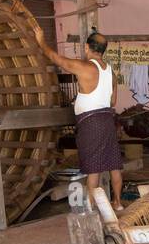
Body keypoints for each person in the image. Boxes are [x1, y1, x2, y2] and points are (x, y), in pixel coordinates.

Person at [34, 25, 124, 210]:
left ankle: (91, 208)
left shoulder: (84, 67)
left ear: (86, 48)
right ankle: (118, 203)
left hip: (92, 123)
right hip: (108, 120)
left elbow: (56, 59)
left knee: (94, 168)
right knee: (114, 164)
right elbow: (113, 101)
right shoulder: (110, 72)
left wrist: (41, 41)